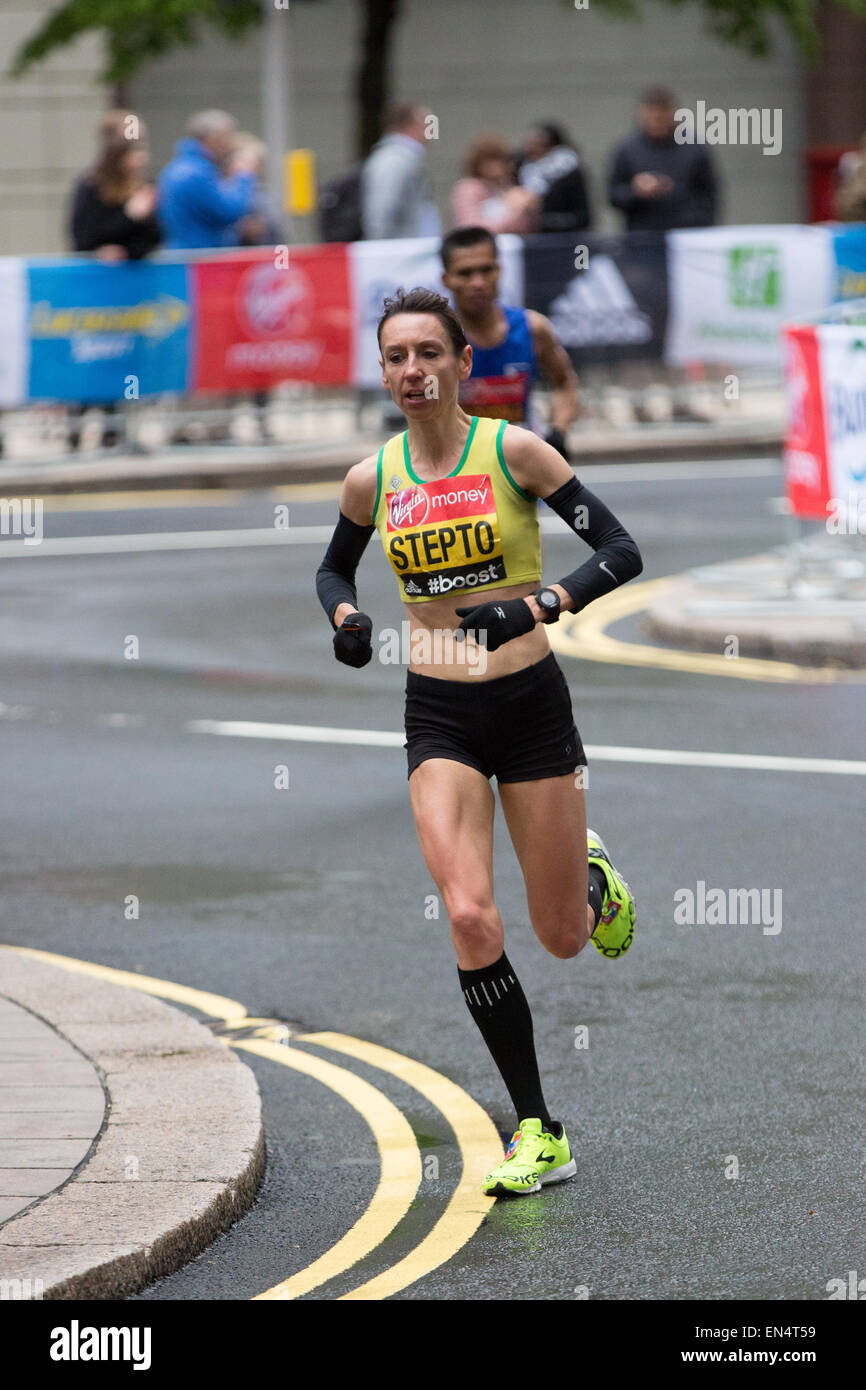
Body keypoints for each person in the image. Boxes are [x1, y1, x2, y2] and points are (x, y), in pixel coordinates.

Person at [315, 286, 641, 1198]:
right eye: (394, 358)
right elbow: (334, 564)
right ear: (381, 373)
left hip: (533, 707)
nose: (411, 371)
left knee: (564, 938)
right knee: (466, 914)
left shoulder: (514, 451)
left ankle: (584, 871)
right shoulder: (371, 477)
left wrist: (541, 602)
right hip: (439, 714)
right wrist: (344, 614)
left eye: (428, 353)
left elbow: (620, 549)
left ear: (463, 362)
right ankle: (539, 1128)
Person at [440, 225, 580, 453]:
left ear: (499, 270)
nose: (478, 282)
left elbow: (564, 381)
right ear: (446, 279)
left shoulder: (533, 328)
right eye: (465, 273)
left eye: (486, 270)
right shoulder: (436, 338)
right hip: (460, 462)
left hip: (521, 458)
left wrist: (559, 431)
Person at [608, 84, 718, 231]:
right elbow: (614, 196)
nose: (656, 122)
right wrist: (636, 191)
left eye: (661, 116)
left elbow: (709, 195)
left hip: (686, 235)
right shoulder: (627, 149)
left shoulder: (695, 147)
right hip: (643, 238)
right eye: (650, 115)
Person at [157, 109, 258, 250]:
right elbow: (229, 211)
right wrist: (244, 176)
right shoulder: (198, 172)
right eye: (228, 136)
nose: (231, 144)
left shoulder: (175, 168)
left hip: (183, 253)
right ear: (214, 137)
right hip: (201, 258)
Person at [69, 110, 161, 262]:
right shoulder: (92, 185)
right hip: (99, 276)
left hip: (137, 275)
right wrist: (128, 216)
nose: (140, 156)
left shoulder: (144, 187)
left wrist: (130, 251)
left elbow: (153, 237)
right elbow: (84, 237)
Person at [361, 102, 441, 240]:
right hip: (402, 251)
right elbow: (381, 210)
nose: (432, 131)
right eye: (427, 124)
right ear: (411, 125)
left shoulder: (405, 158)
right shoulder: (393, 159)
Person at [450, 133, 539, 235]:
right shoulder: (469, 188)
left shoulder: (508, 187)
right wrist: (513, 211)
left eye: (501, 160)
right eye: (490, 160)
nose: (497, 165)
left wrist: (529, 209)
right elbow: (472, 228)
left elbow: (526, 229)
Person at [517, 122, 592, 233]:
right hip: (535, 237)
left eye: (538, 144)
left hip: (566, 238)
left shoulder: (570, 171)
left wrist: (542, 219)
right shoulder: (524, 169)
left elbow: (582, 216)